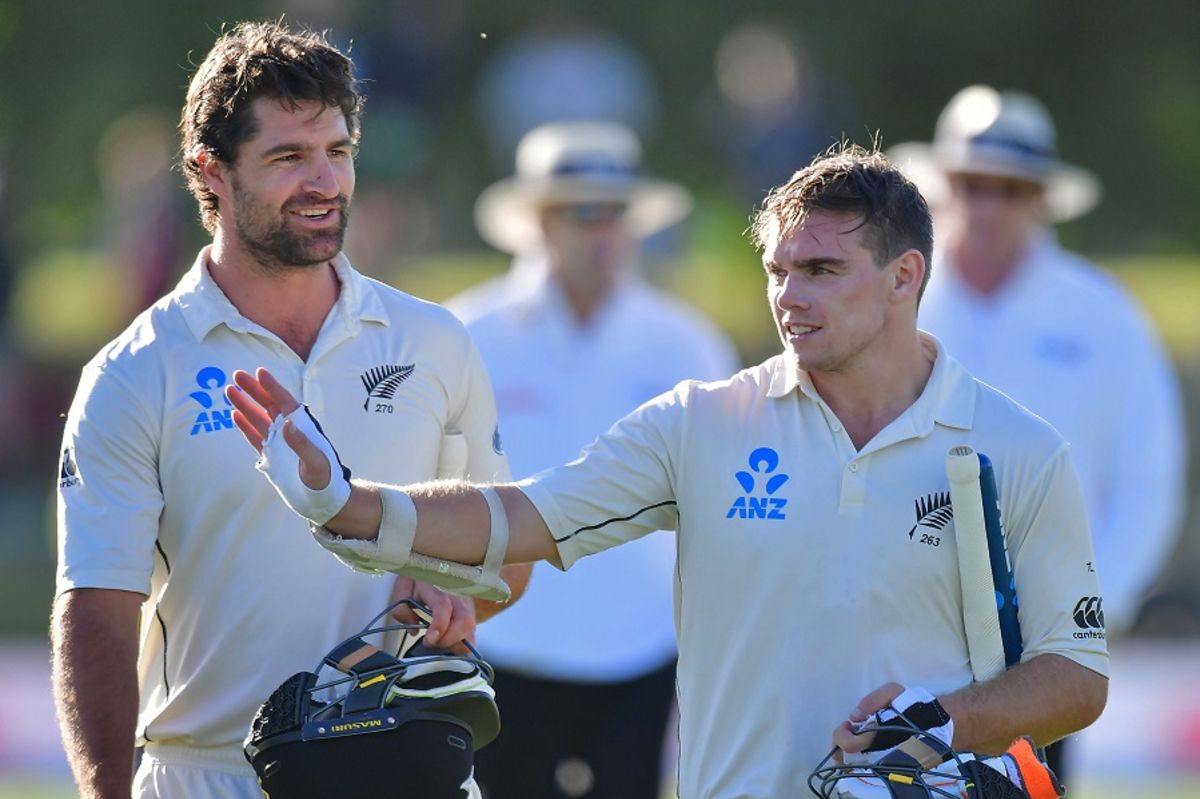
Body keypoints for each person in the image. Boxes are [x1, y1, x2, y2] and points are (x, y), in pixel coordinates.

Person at [226, 143, 1109, 799]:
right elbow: (525, 515)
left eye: (823, 270)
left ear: (905, 275)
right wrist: (344, 501)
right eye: (780, 270)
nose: (790, 297)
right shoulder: (703, 420)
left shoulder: (1018, 447)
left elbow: (1077, 674)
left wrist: (944, 719)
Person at [50, 21, 525, 799]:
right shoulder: (136, 372)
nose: (324, 181)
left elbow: (508, 549)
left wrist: (458, 591)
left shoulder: (434, 339)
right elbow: (98, 612)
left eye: (337, 152)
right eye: (287, 157)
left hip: (408, 764)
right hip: (211, 775)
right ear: (212, 171)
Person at [890, 85, 1187, 780]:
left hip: (1044, 643)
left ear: (1040, 199)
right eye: (972, 184)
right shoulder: (897, 302)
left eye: (1010, 189)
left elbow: (1148, 477)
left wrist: (1089, 617)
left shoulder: (1104, 316)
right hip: (905, 627)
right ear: (945, 187)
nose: (987, 206)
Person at [447, 120, 739, 799]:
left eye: (616, 212)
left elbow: (718, 501)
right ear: (539, 221)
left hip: (640, 645)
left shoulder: (685, 343)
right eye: (583, 212)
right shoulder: (468, 334)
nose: (603, 231)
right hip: (505, 643)